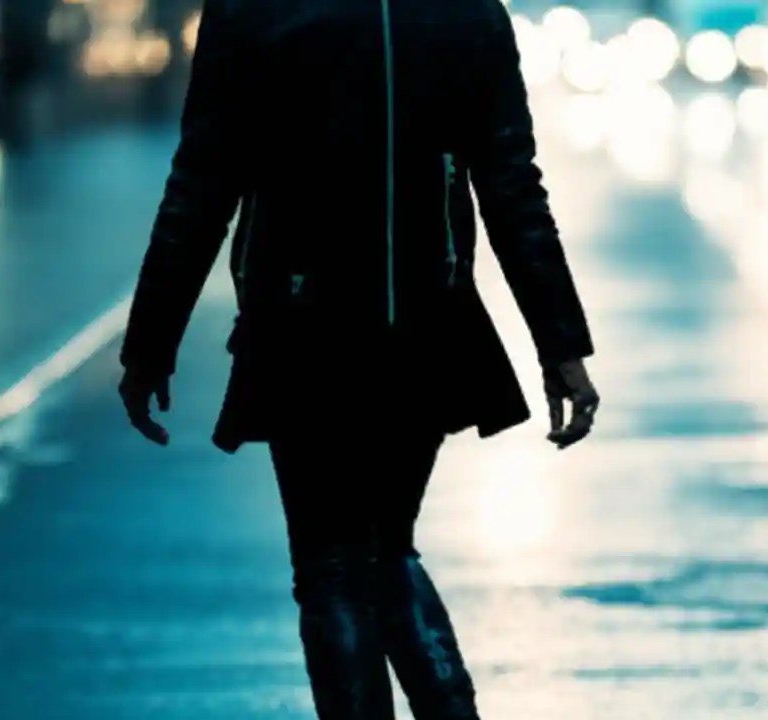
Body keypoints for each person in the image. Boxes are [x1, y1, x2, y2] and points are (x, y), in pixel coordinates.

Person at [116, 0, 598, 716]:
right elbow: (510, 183)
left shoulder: (251, 12)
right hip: (428, 321)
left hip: (298, 321)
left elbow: (203, 181)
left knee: (332, 565)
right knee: (389, 546)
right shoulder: (467, 14)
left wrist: (152, 343)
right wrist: (560, 344)